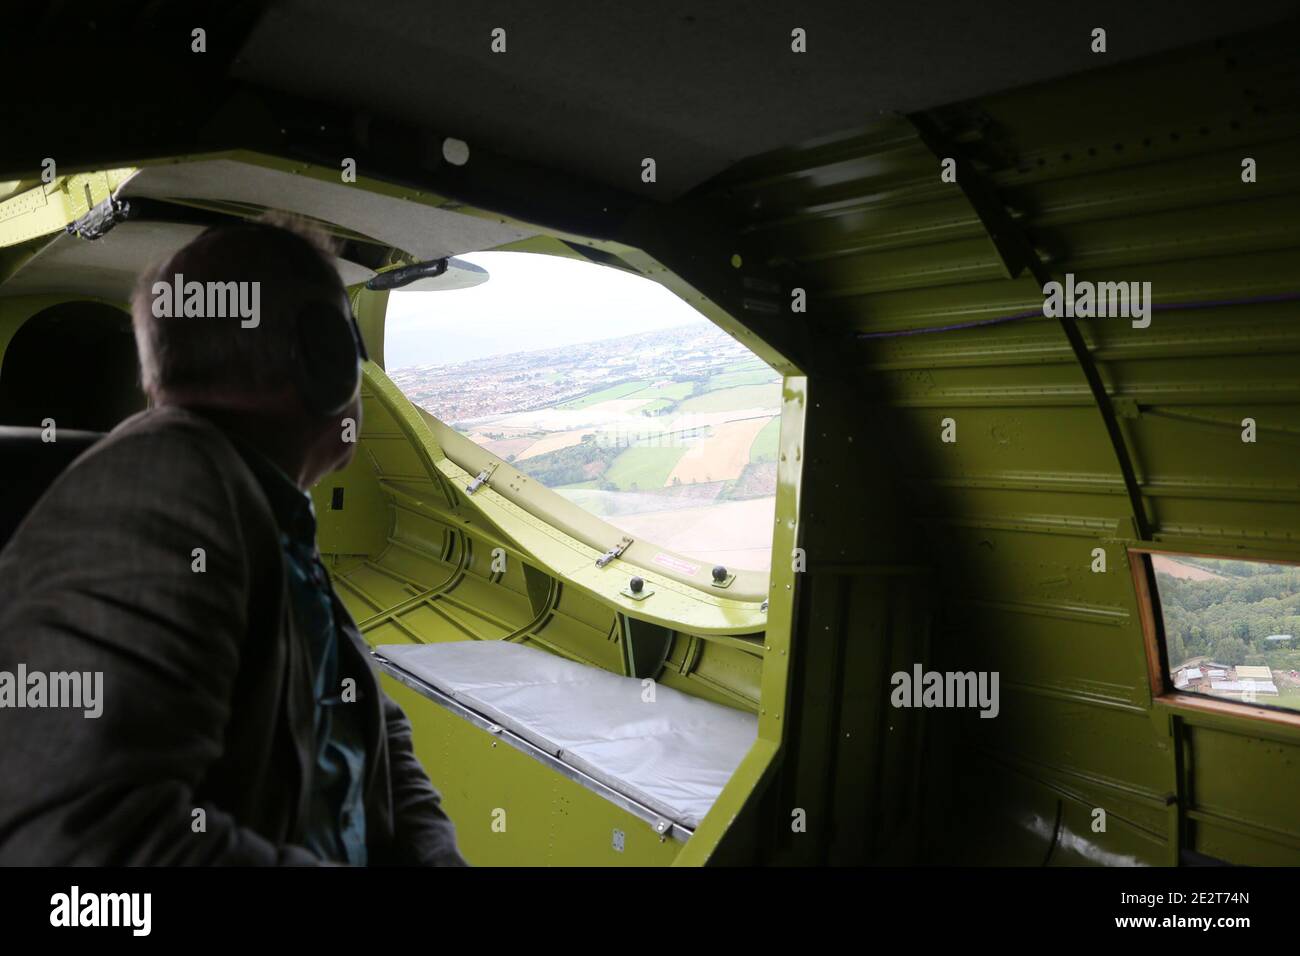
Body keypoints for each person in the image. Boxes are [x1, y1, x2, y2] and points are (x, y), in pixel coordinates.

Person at [0, 215, 466, 865]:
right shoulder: (160, 491)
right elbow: (78, 846)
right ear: (325, 357)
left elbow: (366, 721)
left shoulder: (259, 505)